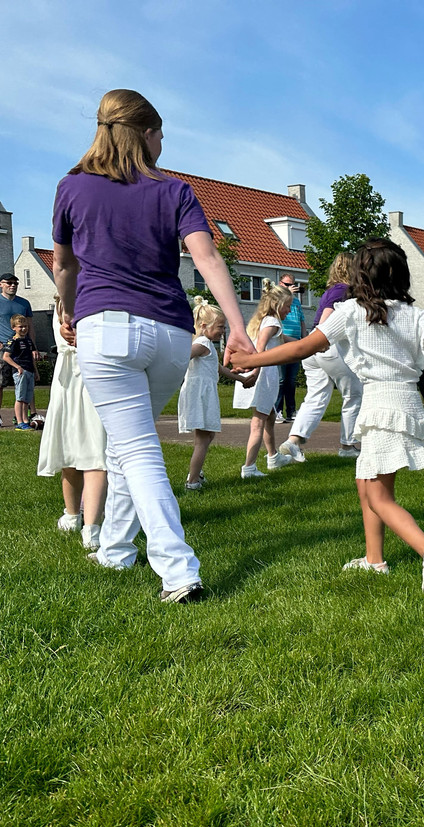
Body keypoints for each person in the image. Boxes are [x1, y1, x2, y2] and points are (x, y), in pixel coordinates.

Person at [52, 88, 252, 603]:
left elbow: (64, 265)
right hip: (171, 335)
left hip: (106, 330)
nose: (163, 144)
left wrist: (67, 310)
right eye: (161, 134)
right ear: (145, 133)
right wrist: (238, 327)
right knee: (126, 444)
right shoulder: (175, 190)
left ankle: (178, 569)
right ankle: (115, 550)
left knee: (136, 447)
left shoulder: (72, 187)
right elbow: (208, 259)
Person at [229, 238, 424, 592]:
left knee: (379, 497)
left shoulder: (351, 312)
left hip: (380, 407)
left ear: (360, 276)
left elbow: (302, 348)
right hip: (405, 405)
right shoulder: (415, 315)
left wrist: (250, 360)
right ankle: (375, 560)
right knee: (366, 480)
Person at [37, 298, 108, 550]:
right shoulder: (68, 303)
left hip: (93, 378)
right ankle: (74, 515)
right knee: (72, 449)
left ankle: (89, 523)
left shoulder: (99, 300)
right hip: (70, 381)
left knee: (94, 451)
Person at [278, 253, 363, 462]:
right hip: (327, 345)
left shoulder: (331, 290)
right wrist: (324, 341)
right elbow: (326, 319)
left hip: (313, 347)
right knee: (354, 392)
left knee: (315, 396)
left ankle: (293, 441)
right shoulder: (343, 290)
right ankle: (348, 445)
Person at [178, 302, 255, 490]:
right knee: (203, 439)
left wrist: (241, 379)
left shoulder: (207, 345)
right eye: (220, 327)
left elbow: (218, 368)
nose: (223, 331)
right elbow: (183, 357)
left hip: (203, 394)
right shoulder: (202, 343)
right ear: (204, 326)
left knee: (207, 435)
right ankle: (192, 481)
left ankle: (196, 474)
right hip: (199, 395)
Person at [234, 281, 294, 478]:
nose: (289, 310)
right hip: (262, 375)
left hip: (259, 373)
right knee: (258, 422)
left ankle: (273, 456)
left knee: (269, 416)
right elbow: (260, 350)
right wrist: (255, 373)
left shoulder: (263, 321)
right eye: (287, 306)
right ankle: (249, 468)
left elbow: (284, 341)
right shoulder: (272, 322)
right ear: (277, 304)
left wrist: (310, 344)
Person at [0, 273, 36, 421]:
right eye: (9, 283)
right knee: (1, 382)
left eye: (15, 283)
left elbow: (30, 326)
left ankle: (27, 415)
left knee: (26, 380)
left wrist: (33, 347)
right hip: (4, 347)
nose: (12, 285)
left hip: (23, 348)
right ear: (1, 284)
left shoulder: (24, 303)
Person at [274, 274, 305, 422]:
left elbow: (302, 320)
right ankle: (277, 410)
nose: (290, 287)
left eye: (292, 285)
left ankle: (291, 411)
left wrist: (305, 339)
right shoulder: (277, 299)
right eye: (287, 285)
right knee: (281, 379)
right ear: (280, 284)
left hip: (296, 342)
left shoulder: (296, 302)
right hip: (282, 341)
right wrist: (288, 295)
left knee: (291, 379)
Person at [3, 315, 37, 428]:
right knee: (20, 397)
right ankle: (19, 421)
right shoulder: (13, 341)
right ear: (14, 327)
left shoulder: (28, 341)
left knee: (27, 398)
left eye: (25, 326)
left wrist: (36, 371)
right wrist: (17, 367)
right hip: (20, 372)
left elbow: (31, 357)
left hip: (29, 370)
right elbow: (6, 357)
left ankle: (26, 420)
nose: (23, 329)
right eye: (20, 326)